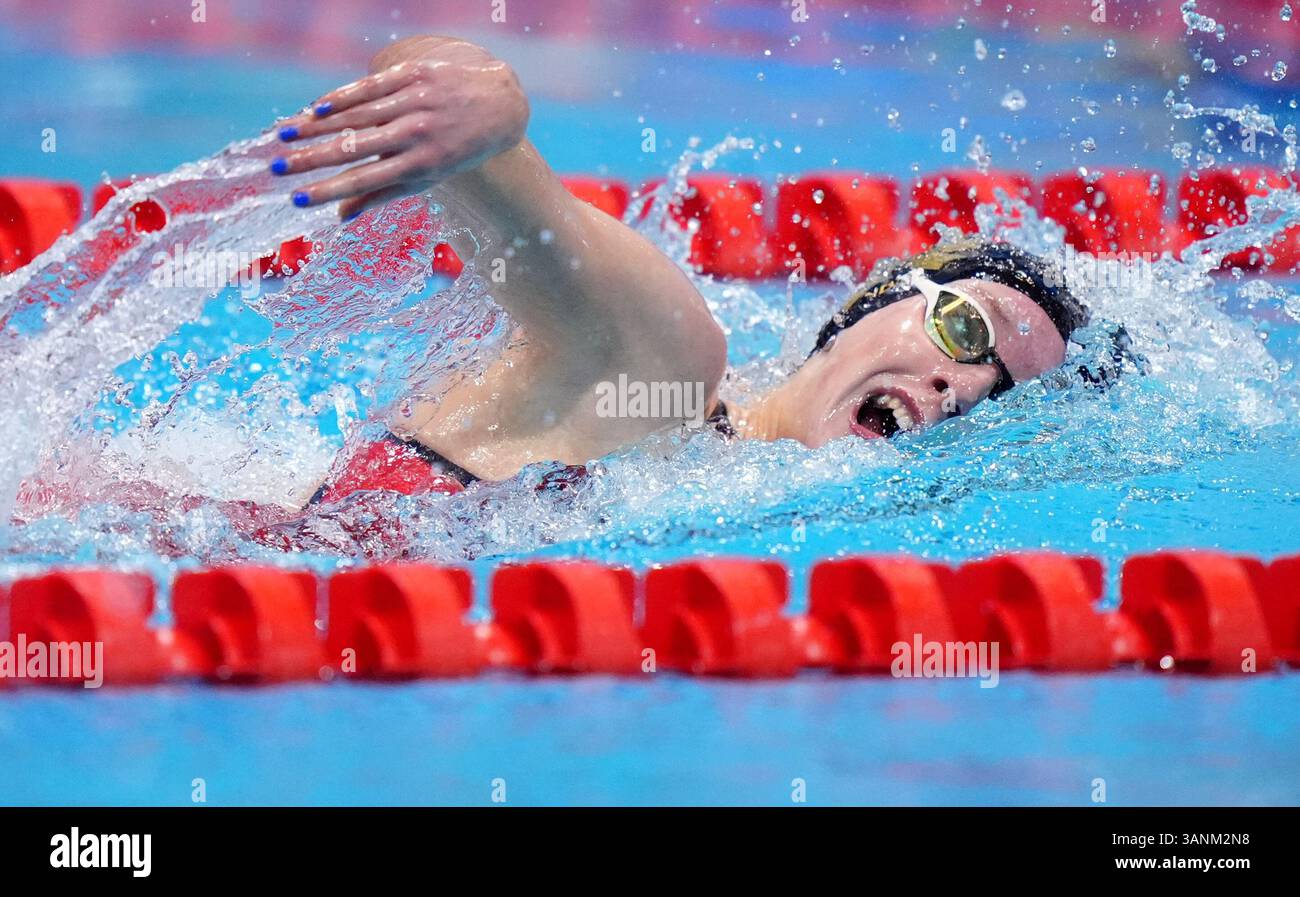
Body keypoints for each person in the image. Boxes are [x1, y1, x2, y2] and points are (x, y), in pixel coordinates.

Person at [268, 35, 1088, 504]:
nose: (966, 389)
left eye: (1002, 397)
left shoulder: (720, 486)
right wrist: (487, 106)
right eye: (966, 327)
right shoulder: (668, 366)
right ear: (867, 304)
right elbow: (482, 154)